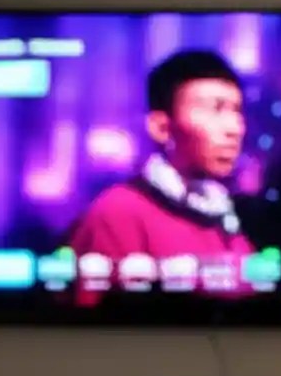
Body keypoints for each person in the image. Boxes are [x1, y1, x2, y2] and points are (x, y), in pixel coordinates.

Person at [67, 50, 254, 306]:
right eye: (216, 109)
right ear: (161, 127)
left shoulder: (224, 214)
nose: (234, 129)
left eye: (236, 111)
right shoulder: (117, 213)